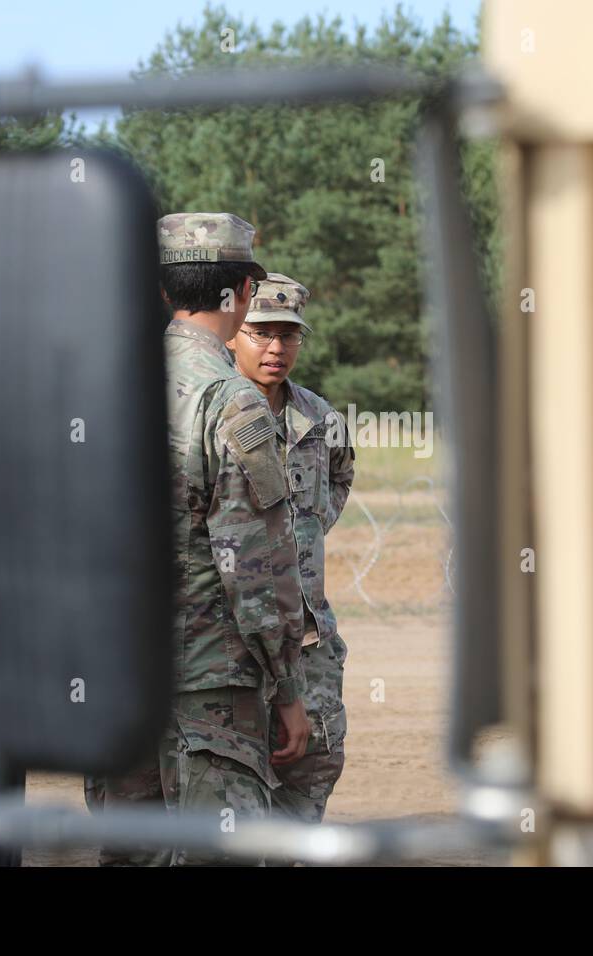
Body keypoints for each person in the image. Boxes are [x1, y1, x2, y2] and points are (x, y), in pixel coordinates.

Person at [99, 213, 310, 867]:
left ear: (161, 292)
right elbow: (255, 565)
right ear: (244, 293)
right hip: (209, 689)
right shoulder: (232, 403)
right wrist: (291, 687)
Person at [227, 273, 354, 831]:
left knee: (315, 760)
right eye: (261, 333)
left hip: (305, 635)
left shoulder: (319, 419)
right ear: (233, 332)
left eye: (289, 335)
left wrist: (300, 536)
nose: (276, 348)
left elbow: (339, 480)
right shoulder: (212, 414)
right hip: (228, 635)